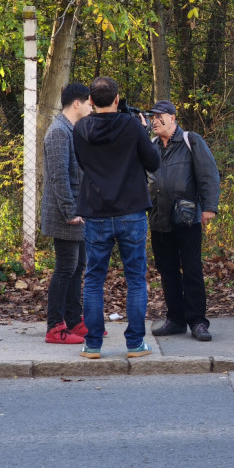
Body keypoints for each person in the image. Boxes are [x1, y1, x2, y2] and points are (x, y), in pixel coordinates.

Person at [73, 77, 160, 359]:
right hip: (130, 211)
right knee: (135, 278)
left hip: (96, 211)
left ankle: (93, 344)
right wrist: (144, 132)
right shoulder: (132, 125)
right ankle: (135, 343)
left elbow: (83, 163)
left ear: (91, 101)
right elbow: (153, 162)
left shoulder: (81, 128)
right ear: (117, 98)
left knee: (94, 279)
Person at [146, 100, 221, 342]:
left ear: (173, 118)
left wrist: (209, 207)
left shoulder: (191, 141)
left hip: (187, 217)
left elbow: (208, 174)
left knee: (191, 270)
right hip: (158, 218)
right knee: (167, 272)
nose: (155, 121)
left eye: (159, 117)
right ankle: (175, 319)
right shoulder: (152, 146)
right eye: (152, 117)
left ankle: (197, 321)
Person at [40, 82, 92, 344]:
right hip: (65, 214)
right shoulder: (59, 132)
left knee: (79, 265)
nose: (91, 108)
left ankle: (73, 320)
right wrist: (71, 212)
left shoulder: (71, 130)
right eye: (88, 103)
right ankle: (54, 326)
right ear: (77, 104)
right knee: (65, 268)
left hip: (76, 212)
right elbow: (59, 177)